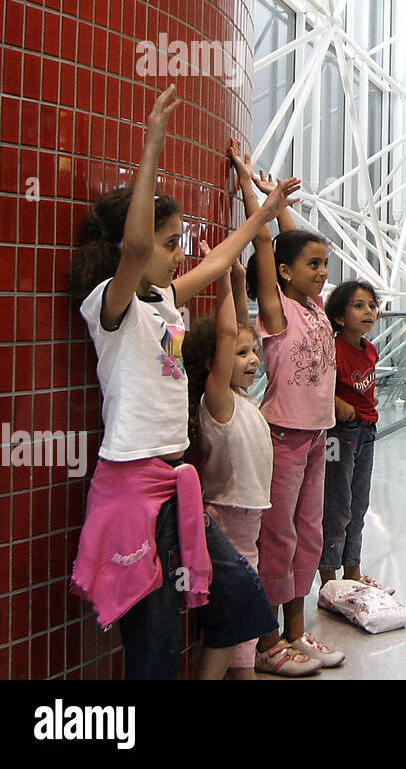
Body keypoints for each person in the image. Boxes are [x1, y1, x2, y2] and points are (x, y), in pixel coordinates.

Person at [67, 86, 294, 679]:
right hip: (134, 492)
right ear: (128, 249)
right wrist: (152, 146)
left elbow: (218, 262)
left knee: (242, 600)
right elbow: (138, 245)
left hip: (174, 484)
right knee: (154, 645)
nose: (177, 254)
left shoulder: (164, 303)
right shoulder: (109, 308)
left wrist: (263, 217)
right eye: (171, 244)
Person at [231, 144, 345, 670]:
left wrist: (281, 207)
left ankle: (296, 631)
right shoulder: (277, 313)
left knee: (310, 533)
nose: (322, 273)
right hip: (283, 437)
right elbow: (264, 243)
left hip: (317, 435)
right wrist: (252, 190)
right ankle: (264, 642)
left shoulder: (316, 307)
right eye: (313, 266)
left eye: (325, 265)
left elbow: (288, 239)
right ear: (283, 273)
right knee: (277, 535)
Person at [182, 257, 320, 678]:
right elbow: (228, 333)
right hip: (225, 523)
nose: (252, 359)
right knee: (234, 614)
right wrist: (223, 278)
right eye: (241, 354)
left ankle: (244, 671)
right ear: (214, 363)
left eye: (255, 351)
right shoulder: (217, 404)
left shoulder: (243, 402)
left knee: (239, 618)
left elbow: (238, 326)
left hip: (249, 527)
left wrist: (239, 280)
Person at [318, 279, 393, 596]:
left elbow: (365, 388)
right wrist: (338, 404)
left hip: (366, 432)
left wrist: (367, 403)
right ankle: (329, 578)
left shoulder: (370, 350)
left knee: (359, 504)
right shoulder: (333, 350)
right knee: (337, 504)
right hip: (340, 434)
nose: (369, 312)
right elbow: (318, 386)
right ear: (339, 317)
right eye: (359, 306)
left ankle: (353, 570)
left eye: (372, 306)